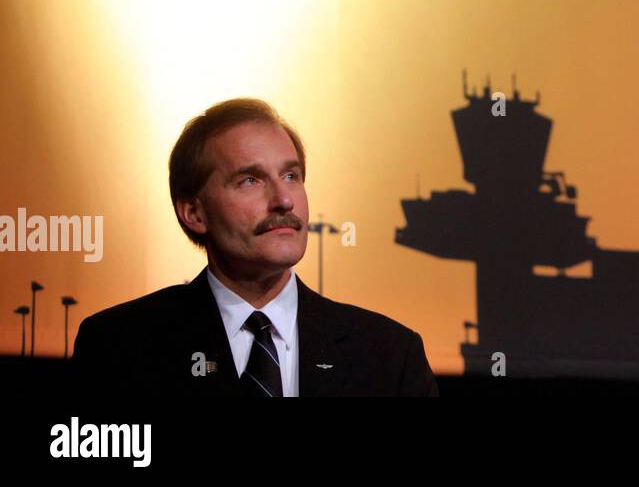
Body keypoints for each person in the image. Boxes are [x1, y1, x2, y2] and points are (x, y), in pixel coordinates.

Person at [72, 98, 438, 396]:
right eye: (250, 180)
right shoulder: (118, 347)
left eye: (291, 176)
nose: (284, 200)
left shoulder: (389, 355)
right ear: (194, 213)